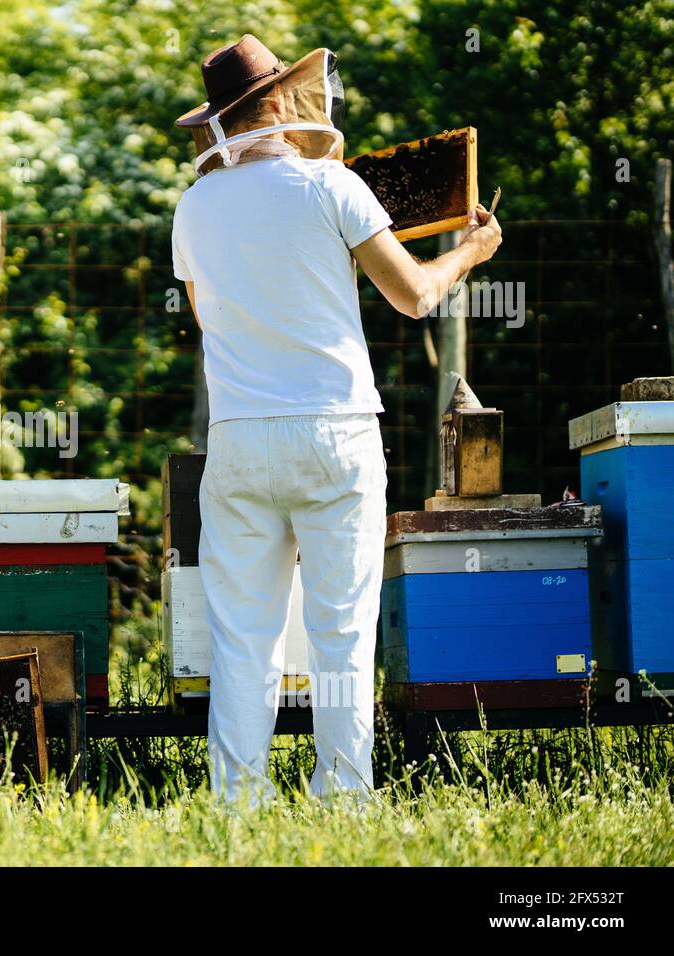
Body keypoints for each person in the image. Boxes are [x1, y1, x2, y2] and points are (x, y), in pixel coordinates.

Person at [171, 35, 502, 805]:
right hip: (336, 431)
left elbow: (208, 316)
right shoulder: (333, 187)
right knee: (342, 634)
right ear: (286, 102)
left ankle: (235, 805)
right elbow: (415, 295)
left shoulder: (193, 209)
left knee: (242, 638)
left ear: (219, 122)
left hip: (241, 438)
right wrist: (471, 252)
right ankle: (346, 802)